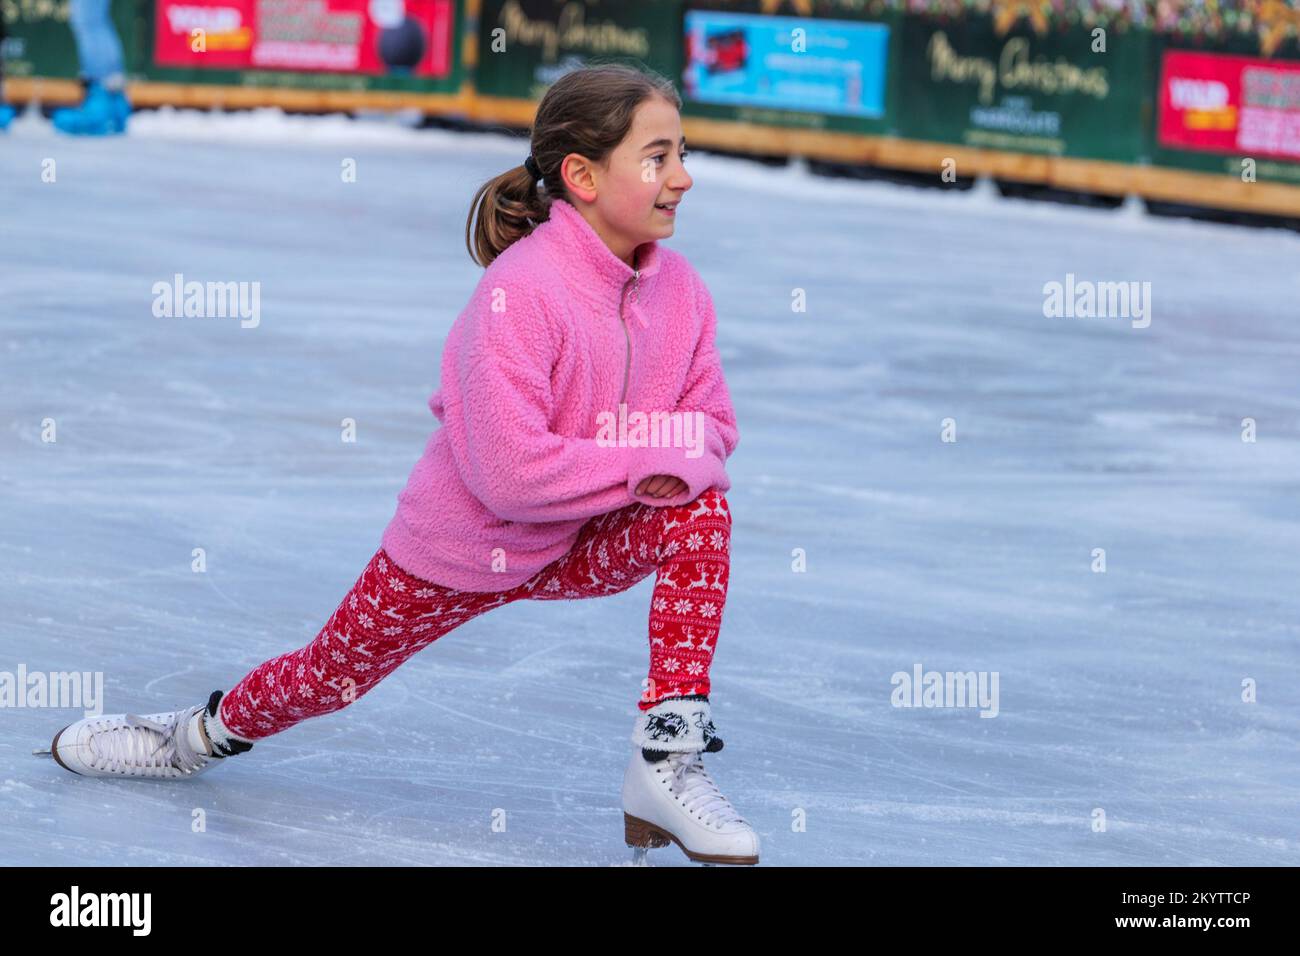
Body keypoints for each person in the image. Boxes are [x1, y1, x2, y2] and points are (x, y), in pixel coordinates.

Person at [44, 63, 757, 865]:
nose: (683, 178)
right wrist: (649, 461)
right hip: (456, 552)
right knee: (325, 677)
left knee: (703, 515)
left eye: (683, 152)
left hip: (582, 543)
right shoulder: (519, 295)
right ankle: (193, 735)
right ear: (583, 176)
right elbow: (511, 475)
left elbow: (715, 429)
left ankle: (666, 759)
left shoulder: (683, 292)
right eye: (658, 157)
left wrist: (668, 462)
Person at [51, 0, 130, 135]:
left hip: (101, 103)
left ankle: (100, 105)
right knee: (96, 19)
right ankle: (114, 105)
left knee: (87, 19)